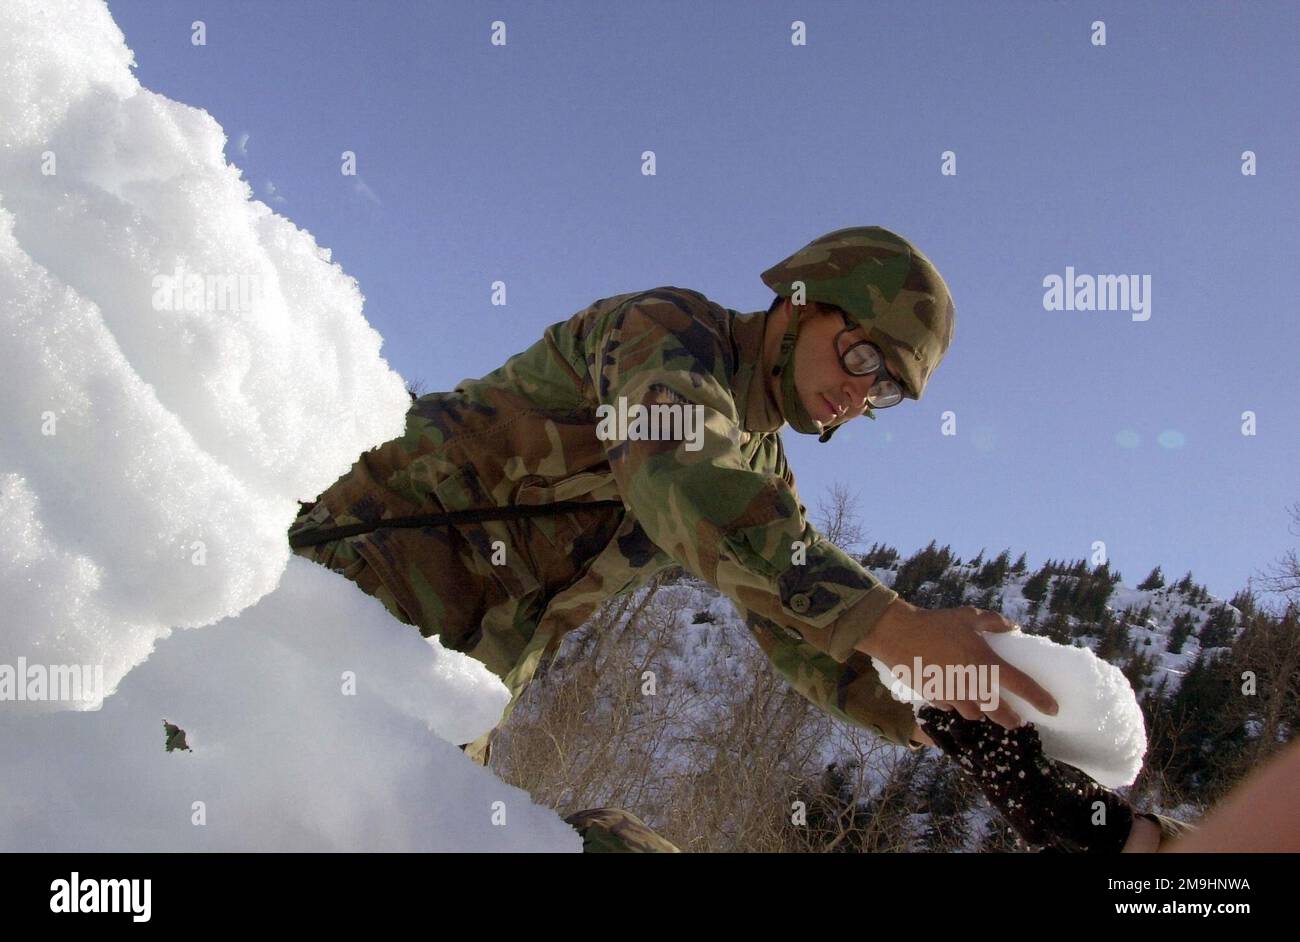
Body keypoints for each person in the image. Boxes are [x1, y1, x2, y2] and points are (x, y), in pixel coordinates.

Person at [286, 225, 1170, 852]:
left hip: (450, 696)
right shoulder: (669, 333)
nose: (861, 396)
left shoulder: (765, 471)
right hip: (332, 606)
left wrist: (947, 718)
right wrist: (902, 626)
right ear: (797, 303)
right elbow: (682, 478)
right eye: (861, 357)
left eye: (887, 392)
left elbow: (804, 636)